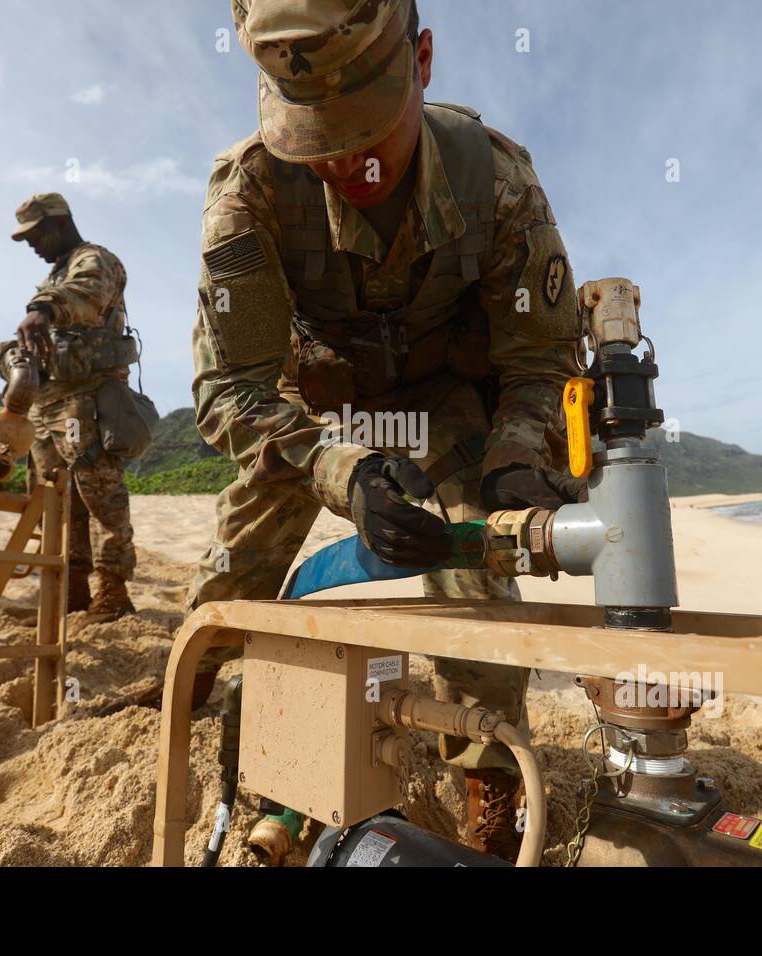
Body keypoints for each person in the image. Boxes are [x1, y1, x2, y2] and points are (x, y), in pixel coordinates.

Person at [187, 0, 584, 859]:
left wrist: (518, 460)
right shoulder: (248, 193)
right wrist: (345, 471)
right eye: (316, 139)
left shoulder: (499, 181)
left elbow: (540, 365)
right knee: (234, 576)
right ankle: (193, 701)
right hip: (314, 405)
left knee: (473, 579)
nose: (347, 160)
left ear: (426, 60)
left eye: (367, 128)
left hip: (445, 402)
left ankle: (490, 784)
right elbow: (233, 389)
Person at [10, 193, 138, 622]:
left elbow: (88, 293)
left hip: (86, 399)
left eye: (35, 234)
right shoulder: (55, 274)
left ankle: (114, 593)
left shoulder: (94, 261)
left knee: (102, 497)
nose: (31, 245)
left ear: (60, 223)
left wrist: (43, 309)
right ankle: (73, 592)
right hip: (47, 404)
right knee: (56, 502)